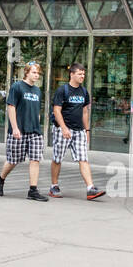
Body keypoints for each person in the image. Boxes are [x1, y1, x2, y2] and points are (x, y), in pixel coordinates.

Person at [48, 62, 105, 200]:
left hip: (79, 131)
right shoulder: (62, 90)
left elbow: (85, 112)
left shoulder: (84, 92)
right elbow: (57, 110)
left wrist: (87, 130)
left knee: (83, 158)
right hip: (62, 130)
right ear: (71, 74)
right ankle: (54, 186)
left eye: (83, 74)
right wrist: (63, 128)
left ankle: (90, 188)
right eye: (79, 74)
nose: (82, 76)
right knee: (57, 158)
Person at [0, 61, 49, 201]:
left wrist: (37, 125)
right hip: (19, 130)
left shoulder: (38, 91)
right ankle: (1, 179)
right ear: (26, 72)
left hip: (35, 131)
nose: (36, 75)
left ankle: (33, 190)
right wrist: (14, 128)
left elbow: (37, 111)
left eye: (38, 73)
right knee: (13, 160)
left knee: (35, 159)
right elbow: (11, 107)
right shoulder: (17, 87)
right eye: (34, 72)